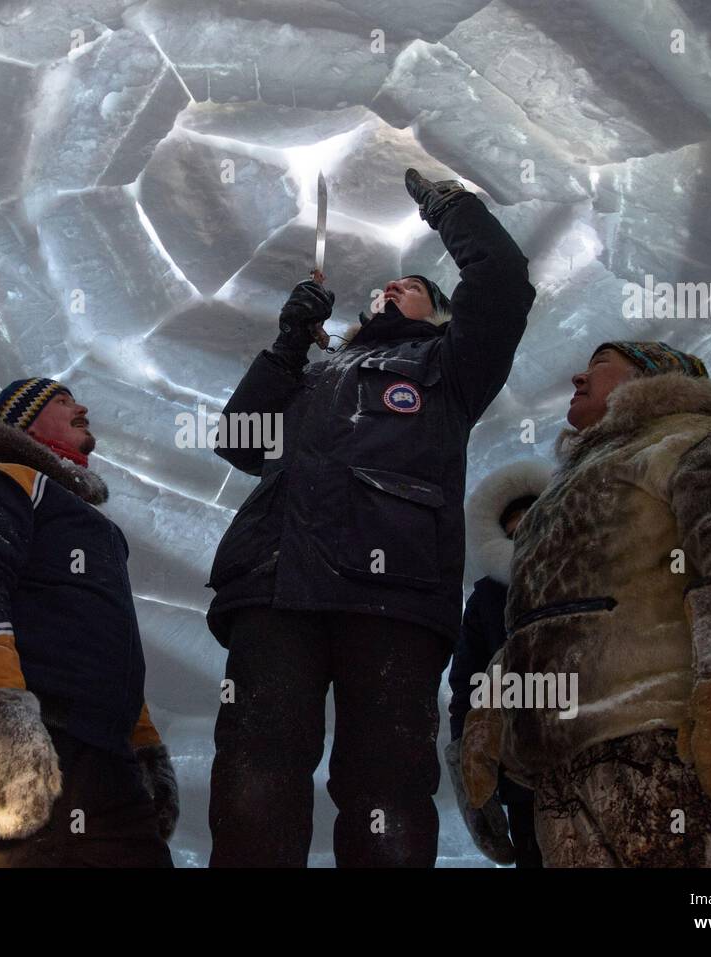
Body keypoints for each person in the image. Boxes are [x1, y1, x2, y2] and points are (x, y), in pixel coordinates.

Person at [206, 169, 536, 866]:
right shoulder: (314, 375)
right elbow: (240, 439)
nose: (392, 287)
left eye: (411, 286)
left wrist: (451, 208)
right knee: (256, 765)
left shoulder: (449, 367)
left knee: (384, 781)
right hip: (275, 586)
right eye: (386, 286)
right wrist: (290, 340)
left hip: (392, 592)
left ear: (441, 314)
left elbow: (503, 281)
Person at [461, 342, 711, 867]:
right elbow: (539, 626)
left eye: (600, 364)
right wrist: (489, 719)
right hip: (560, 781)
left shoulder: (691, 441)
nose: (579, 377)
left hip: (673, 749)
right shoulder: (554, 503)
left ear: (655, 377)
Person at [0, 378, 178, 867]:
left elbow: (115, 647)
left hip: (109, 758)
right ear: (21, 422)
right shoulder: (0, 479)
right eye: (62, 401)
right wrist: (1, 715)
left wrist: (143, 742)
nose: (81, 406)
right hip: (32, 741)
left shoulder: (95, 525)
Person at [445, 459, 552, 867]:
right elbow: (467, 687)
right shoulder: (488, 599)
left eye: (533, 519)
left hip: (593, 760)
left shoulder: (589, 579)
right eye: (513, 525)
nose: (522, 532)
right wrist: (469, 773)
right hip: (521, 774)